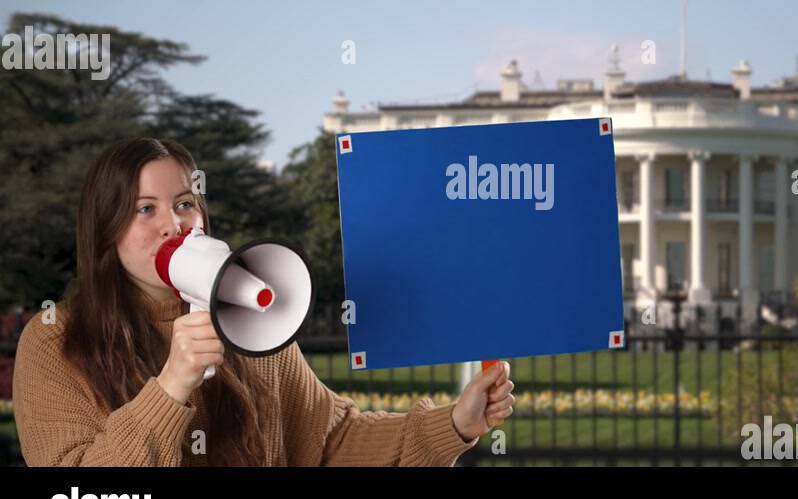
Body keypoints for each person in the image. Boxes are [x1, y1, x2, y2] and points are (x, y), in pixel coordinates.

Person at [13, 137, 515, 466]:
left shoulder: (253, 318)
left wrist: (455, 424)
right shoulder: (55, 341)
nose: (174, 225)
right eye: (145, 209)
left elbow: (330, 442)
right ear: (105, 231)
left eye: (185, 204)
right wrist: (171, 387)